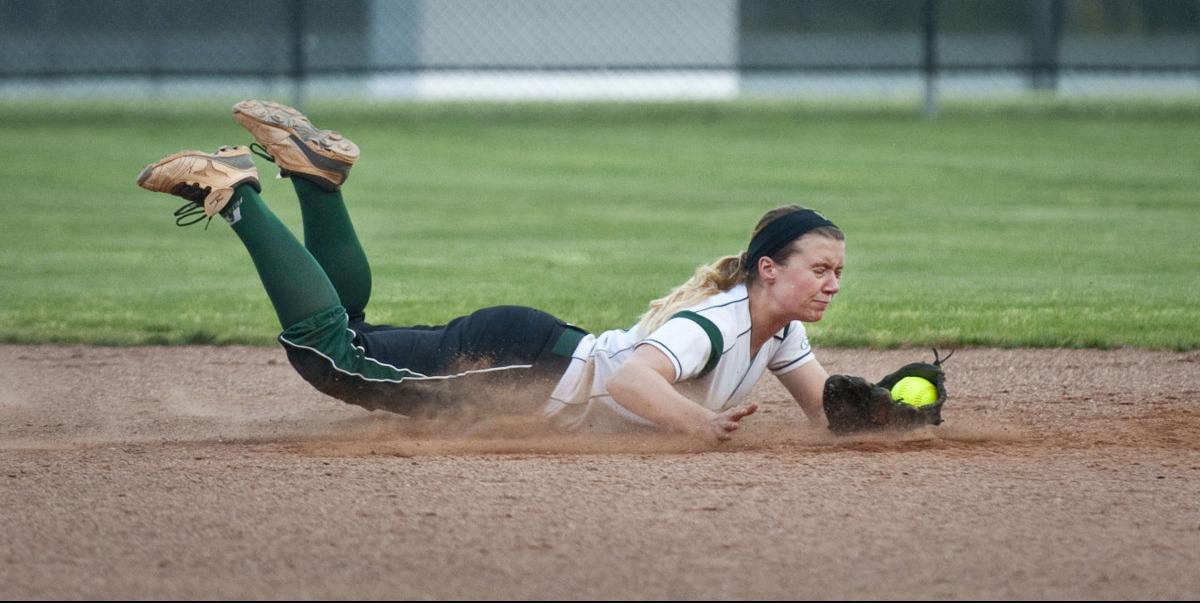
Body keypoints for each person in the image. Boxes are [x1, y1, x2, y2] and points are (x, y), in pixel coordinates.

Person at [137, 99, 847, 447]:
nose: (831, 283)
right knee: (329, 356)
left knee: (350, 331)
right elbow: (633, 379)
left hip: (529, 351)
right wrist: (703, 424)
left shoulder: (775, 330)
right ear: (766, 269)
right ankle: (236, 194)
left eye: (835, 272)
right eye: (818, 268)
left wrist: (893, 411)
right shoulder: (720, 321)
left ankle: (317, 182)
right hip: (514, 365)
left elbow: (827, 411)